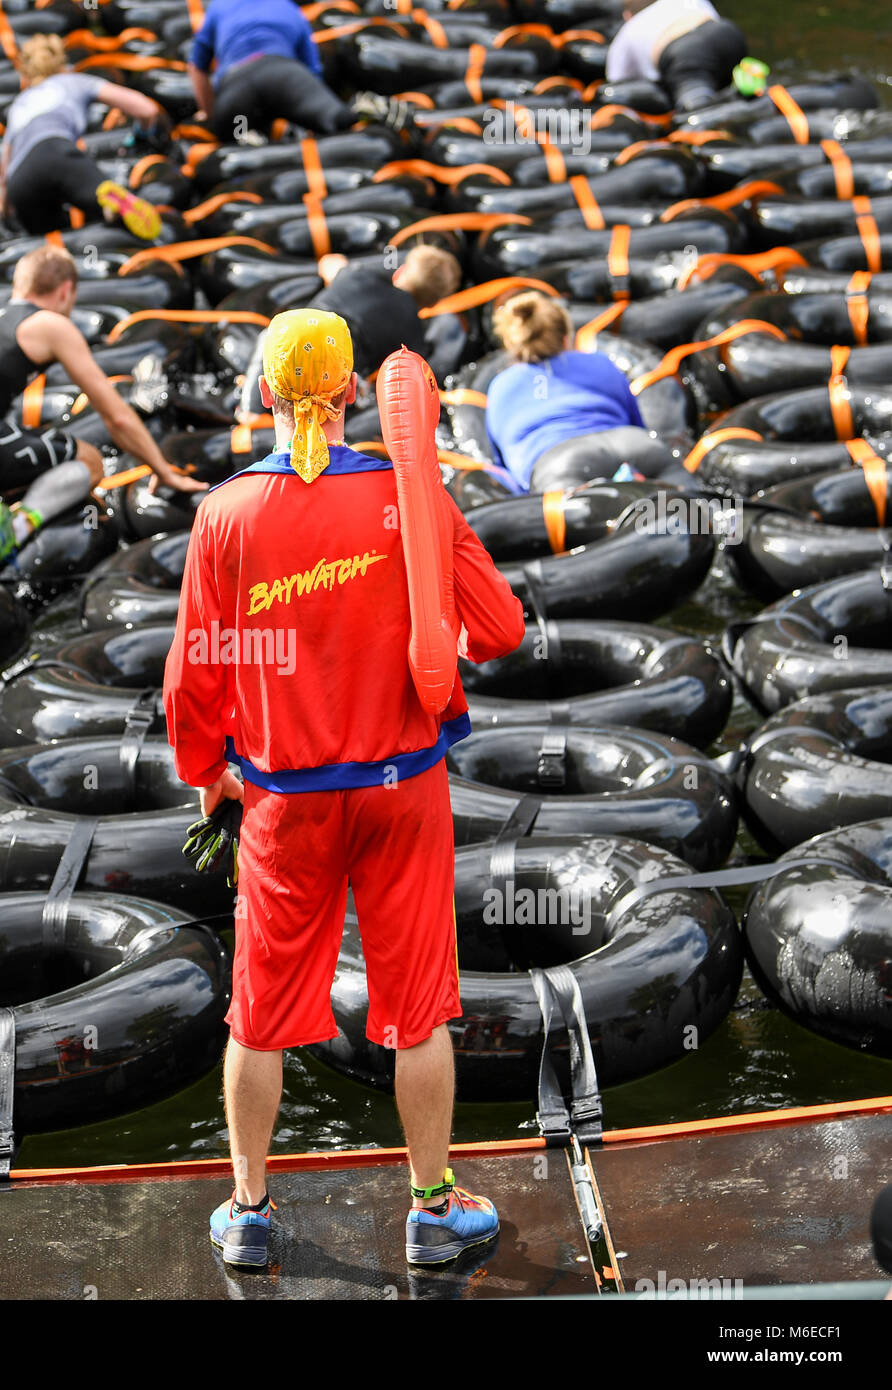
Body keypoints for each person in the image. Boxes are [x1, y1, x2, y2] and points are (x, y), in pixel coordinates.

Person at [163, 309, 525, 1268]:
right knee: (419, 1003)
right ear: (354, 392)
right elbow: (500, 629)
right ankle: (435, 1210)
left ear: (265, 396)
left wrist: (207, 776)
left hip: (284, 801)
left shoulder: (226, 513)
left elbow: (193, 679)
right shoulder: (412, 497)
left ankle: (247, 1212)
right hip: (405, 789)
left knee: (261, 1009)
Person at [0, 244, 204, 581]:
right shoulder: (48, 323)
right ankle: (18, 527)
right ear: (67, 290)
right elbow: (116, 416)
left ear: (18, 285)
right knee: (89, 460)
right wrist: (162, 469)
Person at [484, 291, 673, 492]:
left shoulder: (500, 386)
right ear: (566, 338)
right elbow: (636, 421)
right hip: (635, 445)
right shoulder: (601, 362)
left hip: (561, 463)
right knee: (697, 513)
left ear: (512, 344)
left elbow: (501, 467)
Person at [0, 34, 165, 239]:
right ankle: (110, 208)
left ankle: (68, 246)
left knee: (53, 241)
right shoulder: (74, 81)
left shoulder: (19, 103)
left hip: (21, 180)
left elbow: (3, 175)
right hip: (56, 152)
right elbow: (146, 109)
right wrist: (143, 135)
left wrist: (5, 213)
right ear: (62, 62)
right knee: (99, 197)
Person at [188, 0, 373, 142]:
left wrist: (210, 113)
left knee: (236, 135)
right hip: (284, 76)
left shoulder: (218, 6)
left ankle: (246, 141)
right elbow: (313, 71)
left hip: (236, 89)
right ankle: (356, 111)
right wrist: (310, 113)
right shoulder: (288, 7)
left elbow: (197, 67)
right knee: (334, 118)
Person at [312, 245, 463, 376]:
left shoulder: (359, 275)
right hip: (332, 369)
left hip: (302, 329)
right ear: (432, 304)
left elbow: (328, 263)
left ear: (399, 271)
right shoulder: (413, 338)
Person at [605, 0, 751, 111]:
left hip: (686, 52)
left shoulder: (628, 30)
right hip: (727, 34)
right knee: (738, 88)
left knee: (697, 109)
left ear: (627, 15)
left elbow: (617, 85)